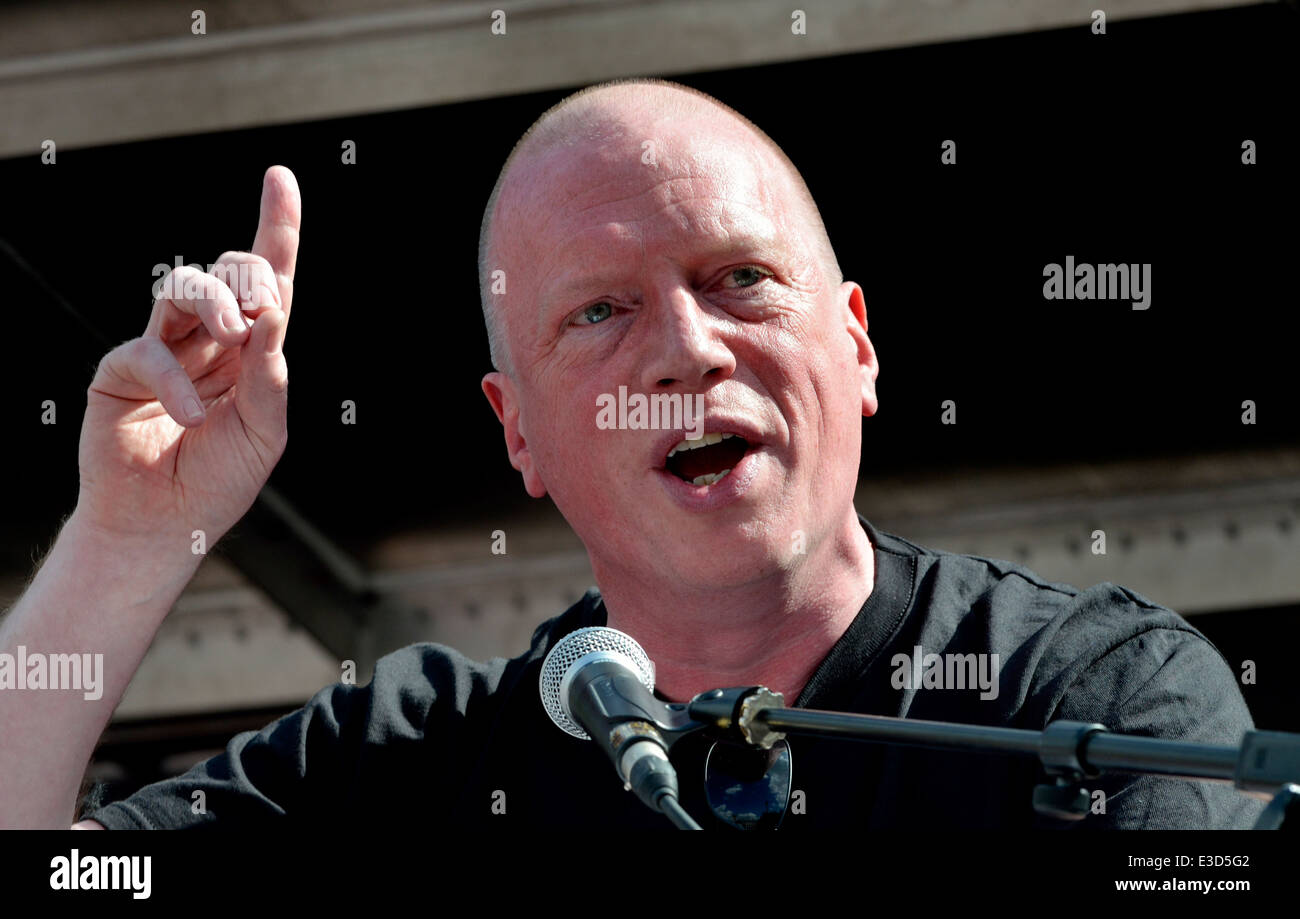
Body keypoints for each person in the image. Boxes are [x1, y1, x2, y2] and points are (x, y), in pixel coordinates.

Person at [0, 78, 1264, 830]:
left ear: (858, 347)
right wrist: (124, 539)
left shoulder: (1098, 697)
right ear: (521, 433)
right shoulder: (410, 762)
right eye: (598, 312)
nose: (683, 351)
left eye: (740, 279)